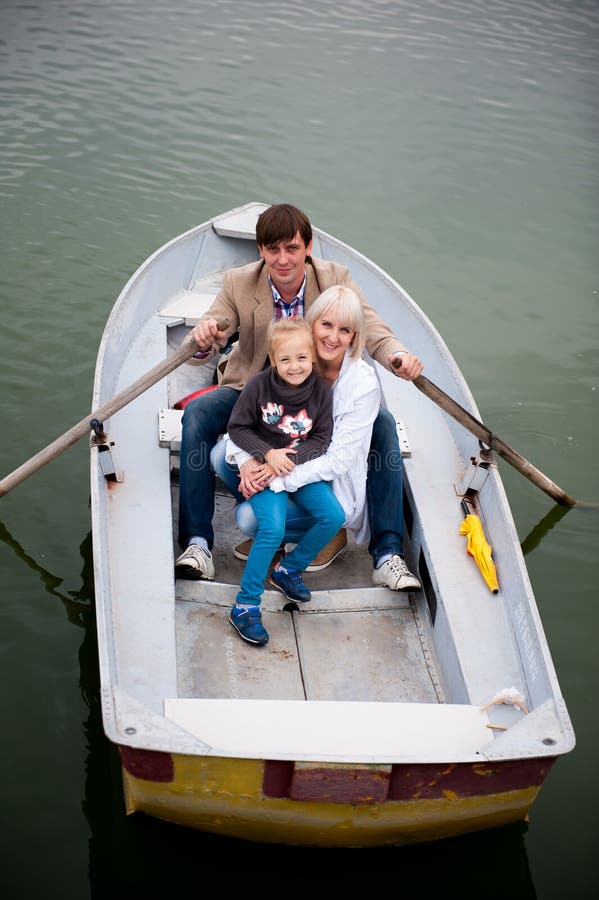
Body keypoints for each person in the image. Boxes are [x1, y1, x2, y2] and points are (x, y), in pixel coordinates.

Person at [175, 203, 422, 591]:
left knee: (383, 425)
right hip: (253, 390)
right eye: (273, 250)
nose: (283, 259)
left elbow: (369, 325)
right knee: (199, 416)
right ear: (260, 250)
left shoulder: (335, 277)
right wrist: (206, 338)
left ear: (308, 247)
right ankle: (197, 544)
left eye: (292, 248)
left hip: (313, 399)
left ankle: (388, 553)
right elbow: (209, 333)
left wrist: (395, 354)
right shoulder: (239, 282)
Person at [212, 286, 381, 579]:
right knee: (219, 455)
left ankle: (314, 538)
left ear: (354, 335)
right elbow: (241, 426)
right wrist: (259, 459)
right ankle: (269, 518)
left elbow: (331, 453)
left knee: (248, 519)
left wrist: (272, 474)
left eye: (344, 330)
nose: (332, 336)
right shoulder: (291, 356)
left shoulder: (357, 385)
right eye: (326, 325)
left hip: (320, 478)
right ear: (312, 324)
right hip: (280, 460)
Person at [224, 318, 345, 645]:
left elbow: (321, 438)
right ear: (273, 360)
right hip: (263, 469)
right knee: (273, 528)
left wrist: (288, 459)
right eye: (286, 360)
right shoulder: (259, 386)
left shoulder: (320, 390)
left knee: (333, 516)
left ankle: (288, 569)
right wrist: (267, 454)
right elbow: (238, 428)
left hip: (295, 468)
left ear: (313, 358)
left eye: (302, 358)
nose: (295, 367)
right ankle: (245, 604)